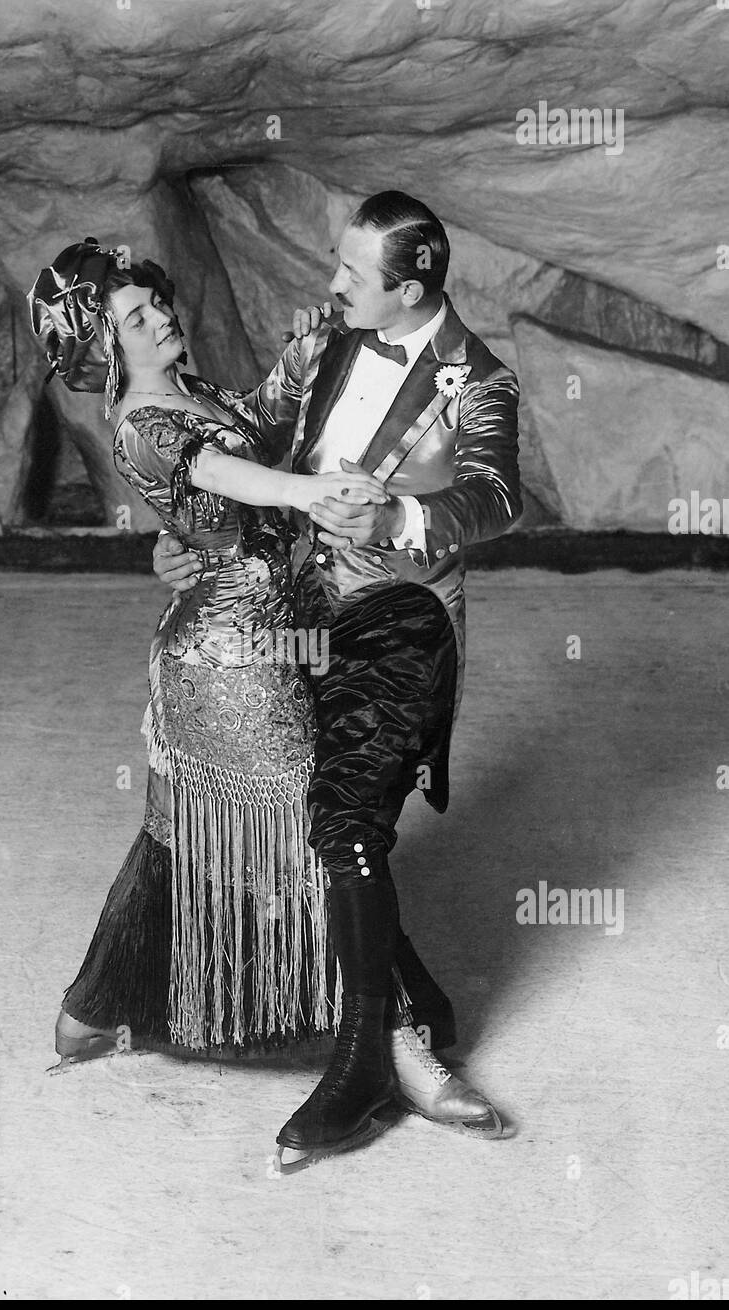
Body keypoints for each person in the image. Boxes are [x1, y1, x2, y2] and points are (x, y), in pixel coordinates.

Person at [153, 191, 522, 1170]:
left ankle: (364, 1064)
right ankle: (413, 1020)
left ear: (413, 286)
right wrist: (182, 518)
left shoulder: (480, 381)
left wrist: (398, 518)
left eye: (356, 273)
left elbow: (493, 496)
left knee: (345, 822)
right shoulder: (323, 340)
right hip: (294, 609)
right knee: (281, 795)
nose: (335, 284)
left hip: (401, 624)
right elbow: (257, 432)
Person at [27, 239, 392, 1061]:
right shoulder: (142, 427)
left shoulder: (185, 390)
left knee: (182, 830)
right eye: (132, 317)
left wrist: (306, 351)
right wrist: (310, 492)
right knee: (312, 825)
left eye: (154, 302)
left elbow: (254, 425)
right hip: (231, 662)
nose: (159, 315)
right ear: (100, 349)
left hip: (264, 634)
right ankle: (380, 1023)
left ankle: (96, 1006)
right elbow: (229, 474)